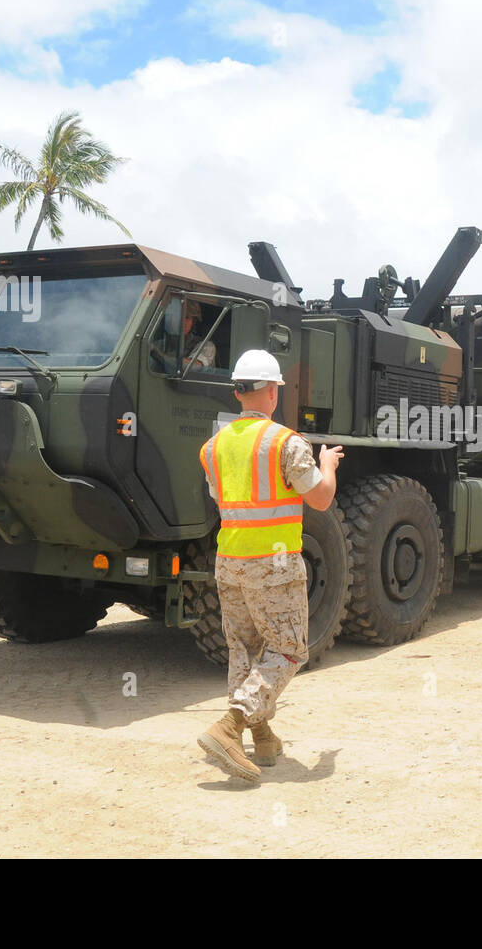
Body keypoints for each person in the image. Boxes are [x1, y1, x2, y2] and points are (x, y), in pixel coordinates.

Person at [195, 349, 344, 783]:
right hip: (274, 566)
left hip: (230, 562)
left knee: (243, 649)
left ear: (238, 391)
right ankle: (230, 727)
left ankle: (260, 737)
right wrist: (327, 465)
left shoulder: (212, 447)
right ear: (273, 391)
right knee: (288, 650)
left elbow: (221, 499)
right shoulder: (286, 442)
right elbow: (320, 499)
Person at [181, 300, 217, 371]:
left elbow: (194, 366)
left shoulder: (207, 346)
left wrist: (162, 356)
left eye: (187, 317)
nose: (182, 321)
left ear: (193, 322)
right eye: (178, 315)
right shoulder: (160, 344)